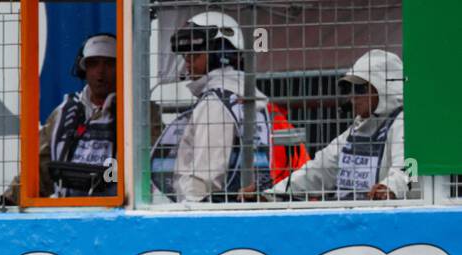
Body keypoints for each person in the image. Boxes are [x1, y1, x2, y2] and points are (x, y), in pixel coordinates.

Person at [248, 50, 407, 202]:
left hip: (384, 222)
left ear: (385, 88)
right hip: (350, 220)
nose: (352, 96)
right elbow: (318, 171)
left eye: (360, 89)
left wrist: (390, 188)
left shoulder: (402, 123)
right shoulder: (358, 128)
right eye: (348, 89)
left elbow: (409, 167)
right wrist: (270, 196)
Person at [150, 11, 272, 202]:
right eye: (185, 53)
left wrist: (191, 209)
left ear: (222, 52)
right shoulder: (246, 95)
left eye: (195, 52)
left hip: (209, 213)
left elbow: (205, 177)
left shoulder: (215, 102)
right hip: (238, 207)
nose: (188, 60)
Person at [40, 32, 119, 197]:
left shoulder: (139, 114)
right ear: (83, 70)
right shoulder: (63, 113)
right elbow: (38, 169)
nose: (100, 72)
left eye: (109, 64)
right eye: (93, 64)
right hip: (67, 212)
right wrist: (7, 201)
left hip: (120, 214)